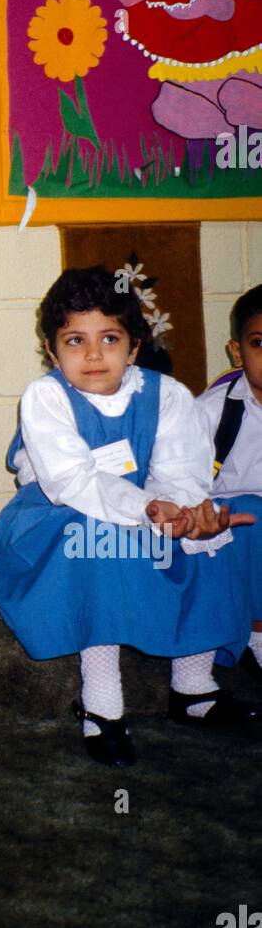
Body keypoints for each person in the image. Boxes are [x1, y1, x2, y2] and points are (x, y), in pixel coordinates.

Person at [0, 266, 259, 768]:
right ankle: (102, 702)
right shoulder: (46, 397)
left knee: (214, 532)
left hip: (149, 507)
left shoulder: (167, 395)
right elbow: (72, 481)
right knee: (100, 539)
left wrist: (187, 515)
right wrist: (149, 511)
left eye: (109, 338)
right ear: (51, 349)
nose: (92, 355)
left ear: (134, 347)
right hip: (56, 518)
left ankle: (194, 687)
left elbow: (182, 469)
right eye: (75, 340)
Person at [197, 284, 262, 682]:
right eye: (260, 343)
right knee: (253, 513)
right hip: (232, 526)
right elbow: (180, 480)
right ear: (237, 352)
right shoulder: (213, 412)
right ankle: (256, 636)